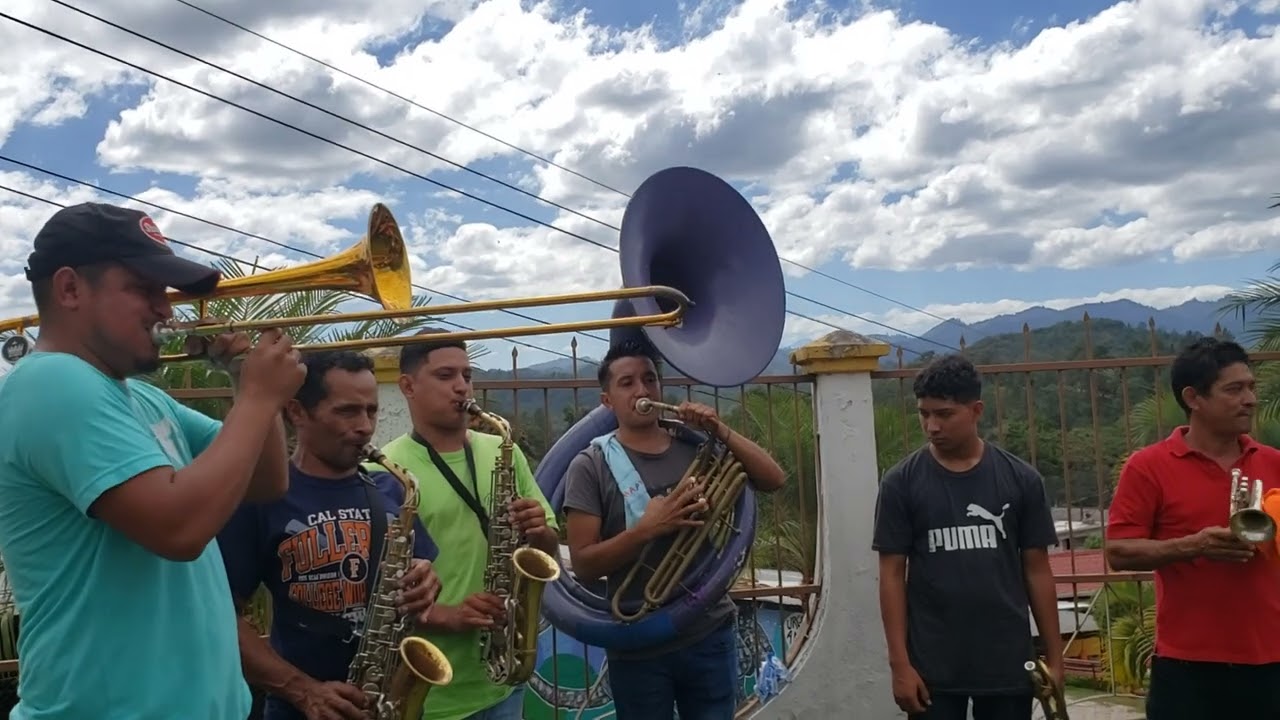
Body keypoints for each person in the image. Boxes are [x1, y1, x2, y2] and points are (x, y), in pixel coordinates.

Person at [0, 202, 302, 720]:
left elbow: (265, 481)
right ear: (70, 289)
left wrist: (241, 381)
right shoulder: (51, 382)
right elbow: (179, 529)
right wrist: (257, 399)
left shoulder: (141, 399)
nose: (165, 310)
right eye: (143, 289)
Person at [561, 339, 788, 720]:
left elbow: (773, 478)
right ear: (607, 401)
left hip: (708, 631)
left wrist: (720, 429)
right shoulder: (591, 465)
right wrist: (647, 528)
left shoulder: (695, 447)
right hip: (636, 643)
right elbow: (583, 564)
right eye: (627, 383)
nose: (642, 390)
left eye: (650, 379)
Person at [217, 350, 444, 720]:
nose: (365, 426)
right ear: (296, 413)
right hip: (301, 709)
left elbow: (421, 576)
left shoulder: (392, 488)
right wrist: (302, 690)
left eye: (370, 411)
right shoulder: (263, 497)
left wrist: (427, 579)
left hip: (389, 701)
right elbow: (220, 615)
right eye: (346, 411)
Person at [378, 329, 561, 720]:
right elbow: (378, 590)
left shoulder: (502, 449)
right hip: (429, 691)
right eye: (445, 376)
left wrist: (539, 530)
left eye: (467, 375)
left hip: (501, 680)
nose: (462, 387)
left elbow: (548, 550)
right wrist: (449, 615)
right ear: (407, 386)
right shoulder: (386, 470)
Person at [872, 353, 1062, 720]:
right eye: (924, 414)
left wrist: (1055, 661)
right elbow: (892, 575)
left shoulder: (1021, 480)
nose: (932, 426)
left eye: (944, 414)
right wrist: (900, 665)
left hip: (1006, 663)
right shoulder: (901, 483)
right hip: (932, 669)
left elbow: (1038, 571)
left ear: (976, 410)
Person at [1106, 337, 1280, 718]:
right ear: (1193, 398)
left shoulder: (1274, 462)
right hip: (1188, 667)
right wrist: (1194, 546)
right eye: (1234, 389)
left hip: (1272, 660)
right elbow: (1118, 552)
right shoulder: (1147, 467)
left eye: (1251, 387)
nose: (1250, 399)